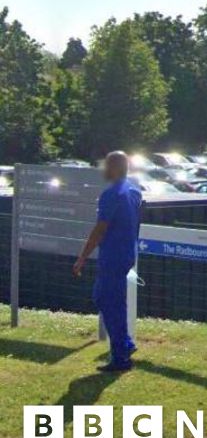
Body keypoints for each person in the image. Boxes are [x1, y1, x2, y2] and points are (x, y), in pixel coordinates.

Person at [73, 151, 142, 372]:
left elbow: (100, 228)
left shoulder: (111, 194)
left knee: (106, 299)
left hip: (113, 255)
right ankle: (125, 344)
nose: (103, 170)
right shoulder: (134, 190)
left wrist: (82, 257)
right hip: (127, 253)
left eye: (106, 165)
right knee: (114, 301)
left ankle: (121, 356)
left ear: (114, 168)